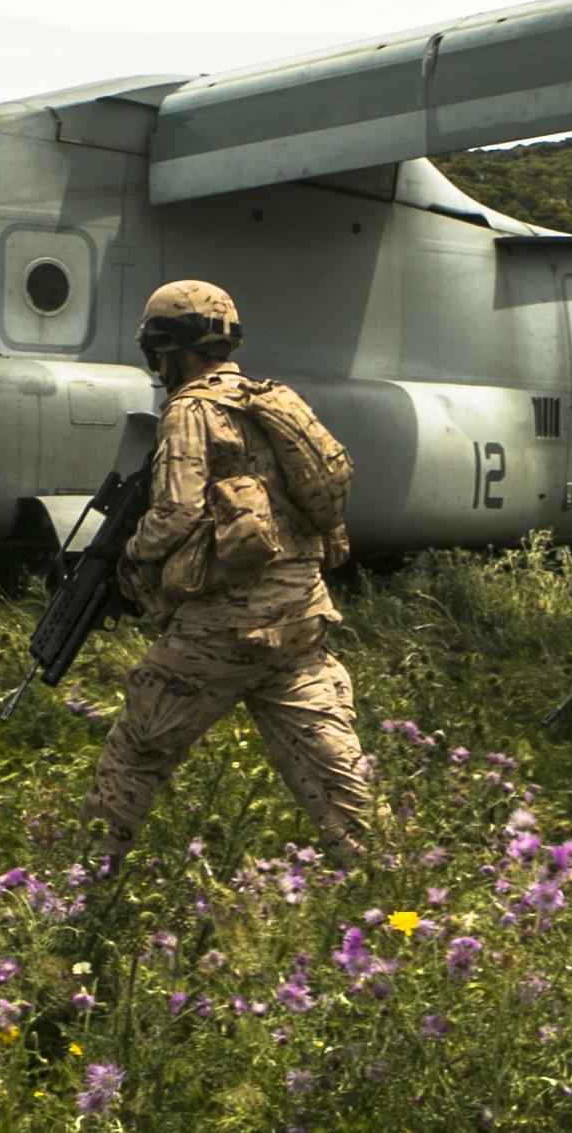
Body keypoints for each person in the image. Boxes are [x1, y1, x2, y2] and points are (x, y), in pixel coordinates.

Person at [81, 280, 375, 867]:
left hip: (223, 629)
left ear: (168, 348)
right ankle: (389, 883)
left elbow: (175, 515)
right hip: (299, 620)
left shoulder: (190, 410)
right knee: (335, 776)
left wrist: (129, 553)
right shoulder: (271, 401)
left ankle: (81, 883)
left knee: (136, 752)